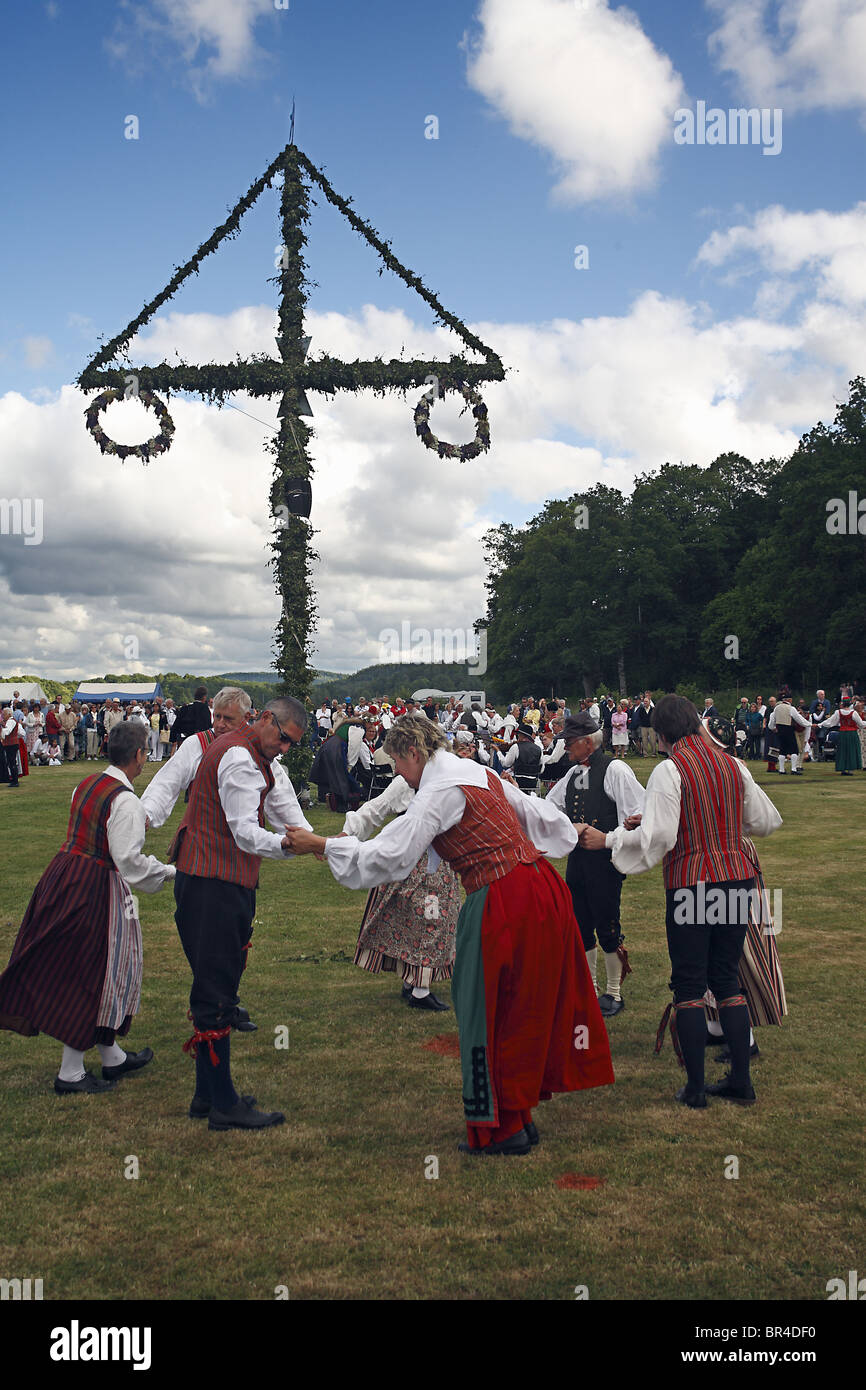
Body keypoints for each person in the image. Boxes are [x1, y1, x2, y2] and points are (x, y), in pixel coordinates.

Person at [287, 715, 615, 1157]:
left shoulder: (439, 791)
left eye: (398, 764)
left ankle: (500, 1128)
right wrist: (565, 833)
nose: (398, 773)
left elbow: (393, 852)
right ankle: (518, 1114)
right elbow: (534, 812)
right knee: (526, 1005)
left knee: (485, 1009)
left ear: (414, 753)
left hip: (502, 898)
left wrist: (323, 846)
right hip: (543, 887)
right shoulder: (476, 771)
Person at [599, 695, 781, 1108]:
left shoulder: (670, 768)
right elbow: (766, 820)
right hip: (737, 880)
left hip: (692, 884)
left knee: (689, 984)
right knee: (726, 979)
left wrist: (615, 840)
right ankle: (740, 1082)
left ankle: (696, 1088)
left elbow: (661, 839)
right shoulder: (731, 763)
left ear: (662, 735)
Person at [0, 721, 174, 1092]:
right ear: (140, 755)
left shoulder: (88, 782)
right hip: (93, 887)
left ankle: (111, 1055)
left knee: (104, 968)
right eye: (145, 752)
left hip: (64, 875)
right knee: (91, 969)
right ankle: (71, 1073)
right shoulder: (125, 801)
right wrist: (170, 872)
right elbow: (128, 862)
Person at [168, 697, 312, 1130]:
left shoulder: (244, 749)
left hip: (210, 882)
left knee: (215, 986)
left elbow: (279, 813)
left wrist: (315, 839)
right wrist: (287, 844)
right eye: (283, 738)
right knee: (215, 994)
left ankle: (205, 1094)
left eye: (292, 744)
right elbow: (245, 832)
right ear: (265, 719)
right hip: (214, 886)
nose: (284, 748)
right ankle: (224, 1106)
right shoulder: (239, 757)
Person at [550, 714, 645, 1017]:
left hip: (605, 862)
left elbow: (638, 815)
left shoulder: (615, 769)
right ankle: (589, 990)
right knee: (579, 925)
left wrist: (608, 838)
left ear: (587, 743)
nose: (565, 746)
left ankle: (613, 993)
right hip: (578, 861)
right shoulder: (573, 772)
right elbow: (551, 807)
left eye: (569, 741)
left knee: (607, 925)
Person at [347, 775, 461, 1010]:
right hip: (411, 863)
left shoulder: (448, 778)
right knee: (425, 920)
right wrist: (346, 836)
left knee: (431, 920)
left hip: (438, 863)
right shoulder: (405, 782)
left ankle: (415, 984)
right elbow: (376, 808)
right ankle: (419, 989)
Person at [821, 696, 865, 775]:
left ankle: (843, 769)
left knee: (842, 751)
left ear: (842, 703)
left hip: (842, 733)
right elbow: (861, 724)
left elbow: (831, 722)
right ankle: (850, 770)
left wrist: (820, 724)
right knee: (851, 751)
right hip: (852, 734)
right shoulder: (853, 713)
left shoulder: (838, 712)